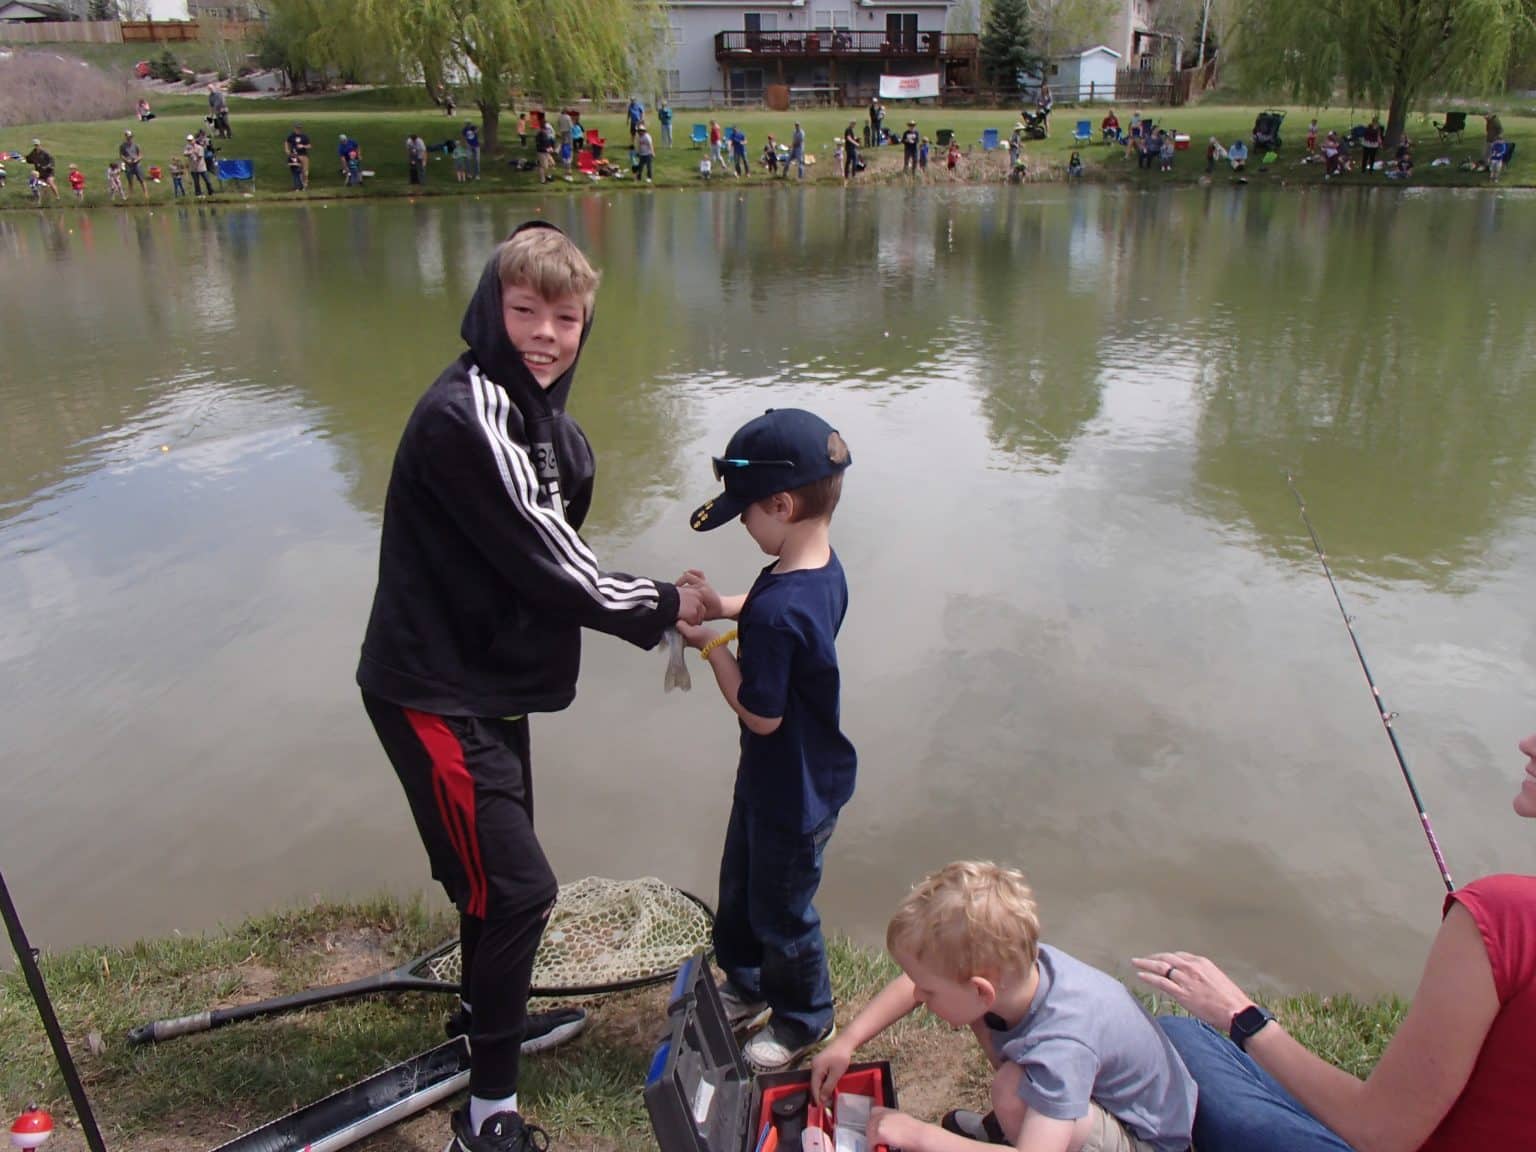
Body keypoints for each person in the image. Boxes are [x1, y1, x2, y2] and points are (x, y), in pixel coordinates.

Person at [357, 221, 706, 1152]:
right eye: (523, 312)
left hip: (488, 685)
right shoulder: (464, 416)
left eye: (565, 317)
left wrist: (655, 601)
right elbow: (554, 566)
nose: (545, 334)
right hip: (432, 691)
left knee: (491, 885)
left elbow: (558, 544)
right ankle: (489, 1115)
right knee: (515, 891)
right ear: (489, 309)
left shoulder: (546, 421)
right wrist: (666, 602)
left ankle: (484, 1021)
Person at [1139, 731, 1536, 1152]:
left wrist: (1241, 1016)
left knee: (1177, 1039)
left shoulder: (1507, 913)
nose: (1528, 743)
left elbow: (1379, 1131)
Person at [675, 407, 856, 1074]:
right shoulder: (816, 569)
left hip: (792, 788)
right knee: (744, 885)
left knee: (783, 911)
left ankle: (806, 1016)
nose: (743, 523)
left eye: (746, 512)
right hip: (792, 775)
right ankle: (748, 982)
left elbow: (760, 714)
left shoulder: (781, 608)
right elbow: (769, 606)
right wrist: (721, 605)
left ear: (780, 504)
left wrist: (711, 646)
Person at [811, 861, 1196, 1152]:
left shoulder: (1063, 1045)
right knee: (1002, 1058)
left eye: (929, 992)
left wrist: (920, 1135)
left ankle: (1025, 1127)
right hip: (1115, 1096)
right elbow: (913, 985)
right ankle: (1023, 1126)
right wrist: (847, 1042)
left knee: (1013, 1091)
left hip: (1149, 1141)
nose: (920, 999)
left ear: (981, 989)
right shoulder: (1015, 968)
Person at [119, 129, 148, 201]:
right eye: (128, 137)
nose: (129, 138)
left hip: (137, 164)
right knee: (130, 181)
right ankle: (130, 196)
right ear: (126, 137)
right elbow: (121, 155)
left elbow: (140, 155)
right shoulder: (122, 146)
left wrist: (137, 159)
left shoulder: (136, 145)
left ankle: (146, 195)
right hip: (128, 165)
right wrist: (127, 160)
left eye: (130, 137)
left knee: (141, 180)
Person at [285, 124, 311, 189]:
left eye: (299, 128)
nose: (298, 130)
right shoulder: (291, 136)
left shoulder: (304, 136)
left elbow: (309, 146)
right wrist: (287, 149)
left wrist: (303, 146)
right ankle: (299, 185)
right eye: (296, 128)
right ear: (294, 129)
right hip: (295, 156)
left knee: (305, 171)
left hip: (304, 155)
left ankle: (305, 184)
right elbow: (286, 142)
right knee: (297, 171)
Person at [534, 118, 556, 183]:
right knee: (543, 166)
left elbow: (547, 142)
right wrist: (546, 149)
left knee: (552, 163)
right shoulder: (539, 134)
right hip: (541, 153)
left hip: (547, 152)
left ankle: (548, 176)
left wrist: (550, 147)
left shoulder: (545, 133)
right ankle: (543, 180)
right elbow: (538, 145)